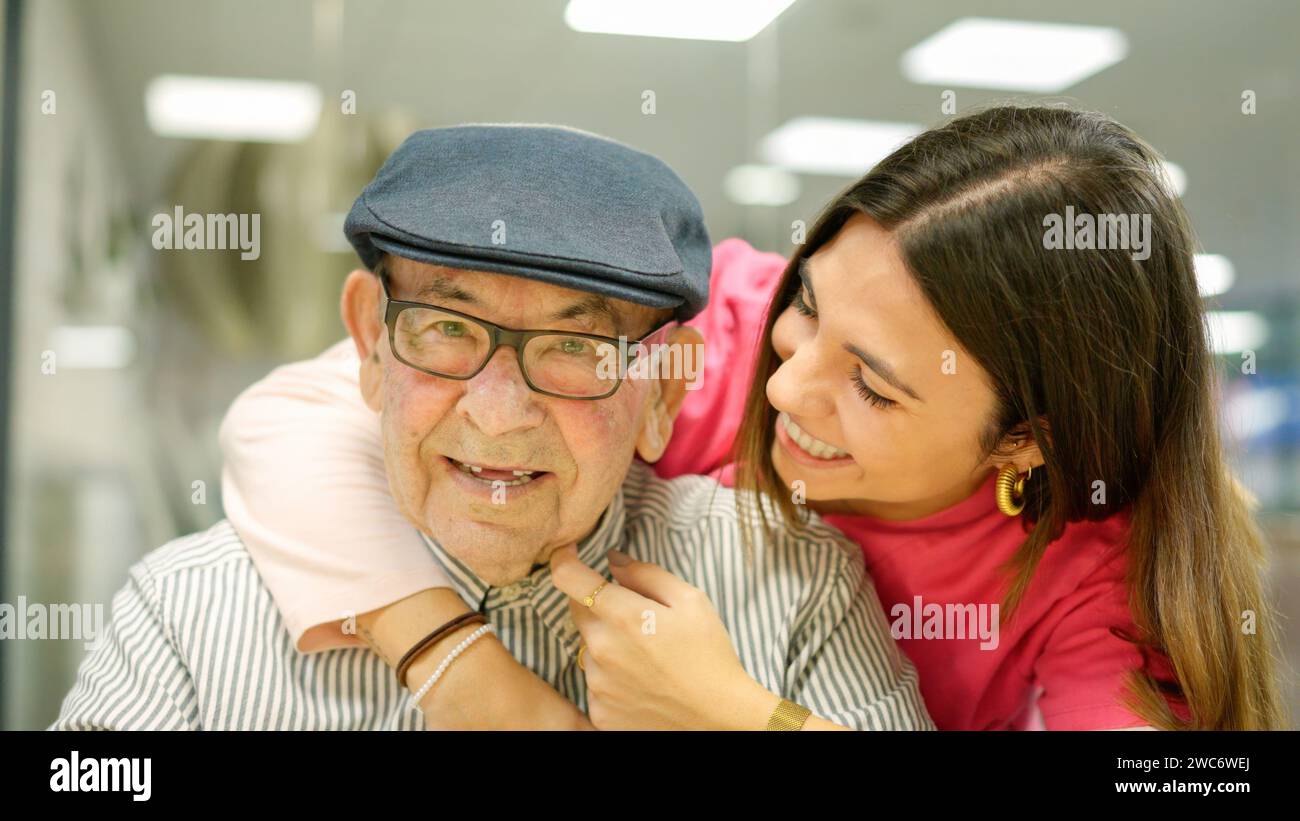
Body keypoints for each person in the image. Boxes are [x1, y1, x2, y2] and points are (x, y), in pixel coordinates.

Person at [216, 106, 1286, 730]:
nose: (784, 393)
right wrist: (465, 672)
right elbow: (289, 418)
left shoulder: (1103, 577)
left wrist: (733, 713)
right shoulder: (718, 336)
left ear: (1025, 440)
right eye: (808, 307)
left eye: (872, 384)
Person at [51, 124, 931, 731]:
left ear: (665, 388)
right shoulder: (187, 607)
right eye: (446, 329)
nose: (497, 414)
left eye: (576, 347)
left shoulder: (796, 585)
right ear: (368, 340)